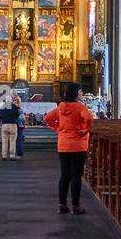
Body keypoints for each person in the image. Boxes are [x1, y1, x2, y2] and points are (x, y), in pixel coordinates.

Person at [44, 83, 94, 214]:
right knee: (76, 176)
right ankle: (76, 206)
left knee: (64, 175)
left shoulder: (61, 107)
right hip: (78, 145)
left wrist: (57, 128)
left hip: (63, 145)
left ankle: (62, 205)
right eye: (80, 91)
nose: (82, 93)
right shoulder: (79, 107)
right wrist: (84, 129)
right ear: (76, 93)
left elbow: (47, 118)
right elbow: (88, 118)